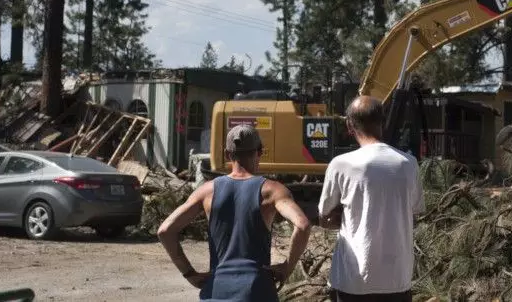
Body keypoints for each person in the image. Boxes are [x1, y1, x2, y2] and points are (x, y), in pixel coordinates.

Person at [157, 124, 312, 301]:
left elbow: (165, 231)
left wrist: (189, 273)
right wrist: (287, 267)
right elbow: (302, 224)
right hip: (256, 291)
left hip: (217, 291)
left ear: (227, 154)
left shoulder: (207, 192)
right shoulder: (272, 190)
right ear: (260, 152)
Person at [317, 95, 425, 302]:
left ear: (350, 126)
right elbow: (415, 212)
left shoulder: (340, 164)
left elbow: (324, 217)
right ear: (382, 122)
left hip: (352, 280)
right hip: (396, 280)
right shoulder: (408, 163)